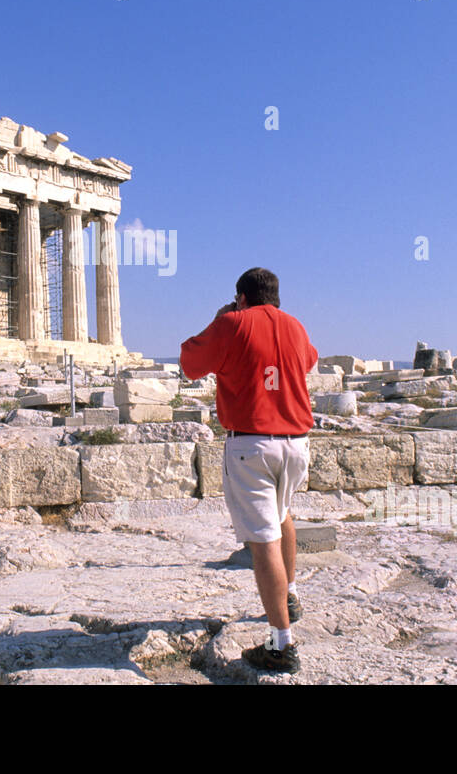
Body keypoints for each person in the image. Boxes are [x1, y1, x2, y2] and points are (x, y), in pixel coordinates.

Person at [179, 267, 317, 674]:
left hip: (251, 444)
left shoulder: (232, 324)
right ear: (275, 297)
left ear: (241, 297)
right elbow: (308, 361)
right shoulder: (295, 326)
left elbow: (189, 362)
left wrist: (222, 319)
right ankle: (289, 595)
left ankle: (281, 644)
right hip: (296, 443)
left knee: (263, 541)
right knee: (282, 516)